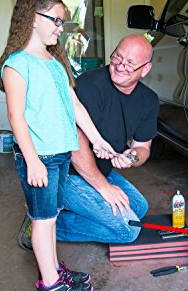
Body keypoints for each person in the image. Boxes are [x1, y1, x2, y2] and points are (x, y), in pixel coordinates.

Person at [0, 0, 116, 291]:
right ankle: (50, 285)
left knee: (51, 216)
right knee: (43, 220)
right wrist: (32, 160)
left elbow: (75, 106)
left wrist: (99, 140)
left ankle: (51, 270)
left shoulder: (55, 62)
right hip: (41, 157)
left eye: (63, 23)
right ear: (33, 18)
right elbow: (16, 116)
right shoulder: (17, 64)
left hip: (60, 154)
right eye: (57, 21)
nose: (61, 29)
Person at [17, 33, 159, 248]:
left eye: (130, 64)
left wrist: (132, 157)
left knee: (138, 208)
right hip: (67, 174)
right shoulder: (90, 85)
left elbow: (143, 147)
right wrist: (104, 188)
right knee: (128, 230)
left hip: (99, 169)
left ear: (145, 69)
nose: (120, 66)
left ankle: (67, 210)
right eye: (117, 57)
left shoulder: (148, 99)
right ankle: (41, 223)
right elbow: (74, 148)